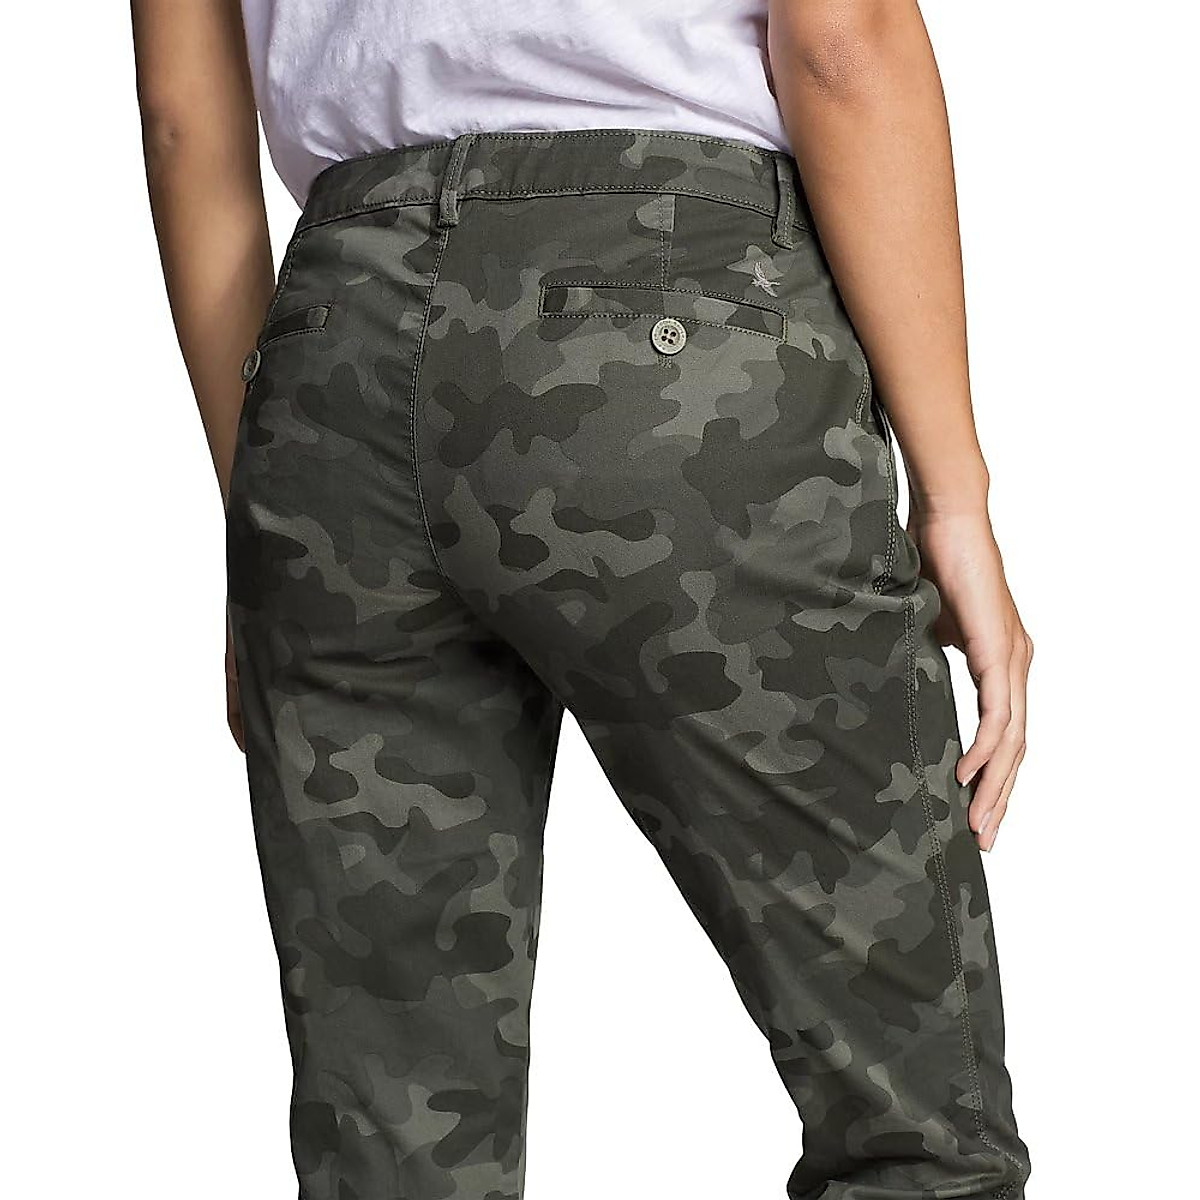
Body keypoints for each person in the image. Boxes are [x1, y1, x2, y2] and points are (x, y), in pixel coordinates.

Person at [131, 1, 1034, 1196]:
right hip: (676, 327)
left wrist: (274, 512)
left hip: (334, 361)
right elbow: (839, 39)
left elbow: (183, 123)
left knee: (394, 1157)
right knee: (917, 1131)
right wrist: (955, 496)